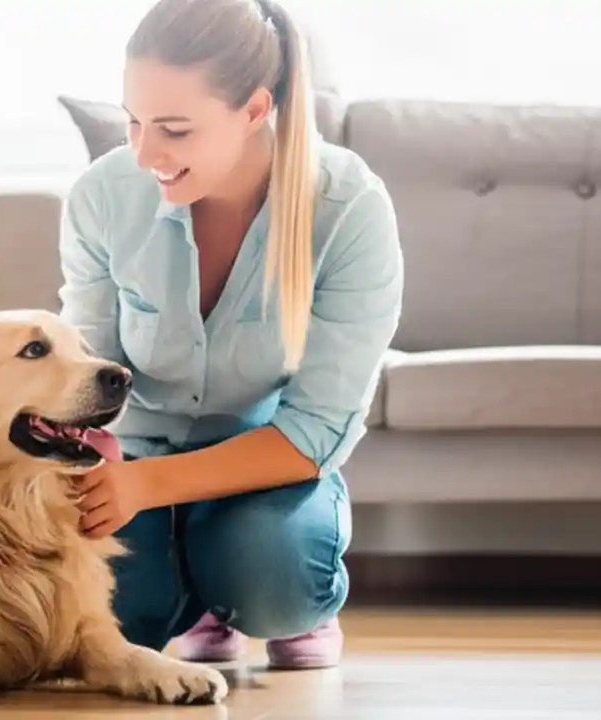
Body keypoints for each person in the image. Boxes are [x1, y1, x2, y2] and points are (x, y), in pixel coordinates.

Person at [58, 0, 402, 669]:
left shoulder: (348, 208)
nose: (144, 153)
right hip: (131, 452)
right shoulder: (103, 197)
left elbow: (317, 427)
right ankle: (196, 594)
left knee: (277, 583)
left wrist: (151, 488)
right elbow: (86, 377)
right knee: (111, 620)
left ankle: (243, 589)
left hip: (260, 458)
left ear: (253, 110)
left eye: (175, 129)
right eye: (133, 121)